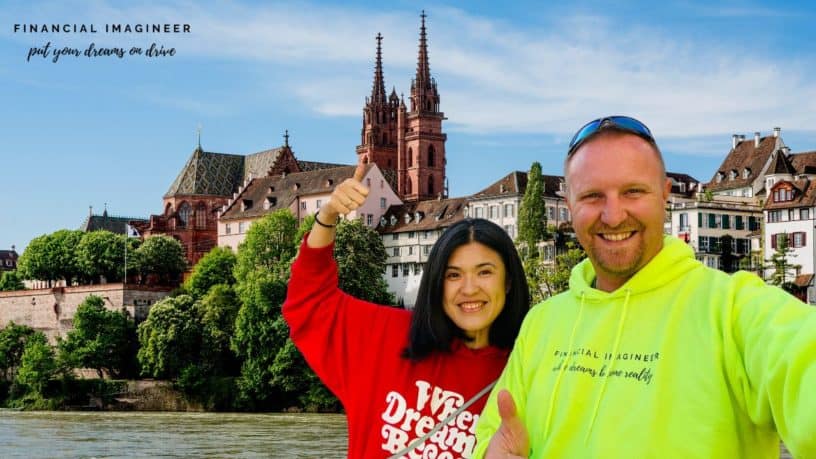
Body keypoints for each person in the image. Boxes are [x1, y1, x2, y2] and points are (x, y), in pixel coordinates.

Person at [474, 116, 816, 458]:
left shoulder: (733, 311)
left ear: (665, 196)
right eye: (592, 196)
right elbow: (491, 437)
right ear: (570, 207)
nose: (613, 215)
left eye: (633, 192)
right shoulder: (541, 323)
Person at [282, 164, 530, 458]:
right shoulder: (388, 337)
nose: (469, 288)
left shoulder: (526, 373)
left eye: (485, 272)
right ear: (437, 283)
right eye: (453, 275)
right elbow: (308, 302)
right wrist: (327, 216)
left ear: (509, 281)